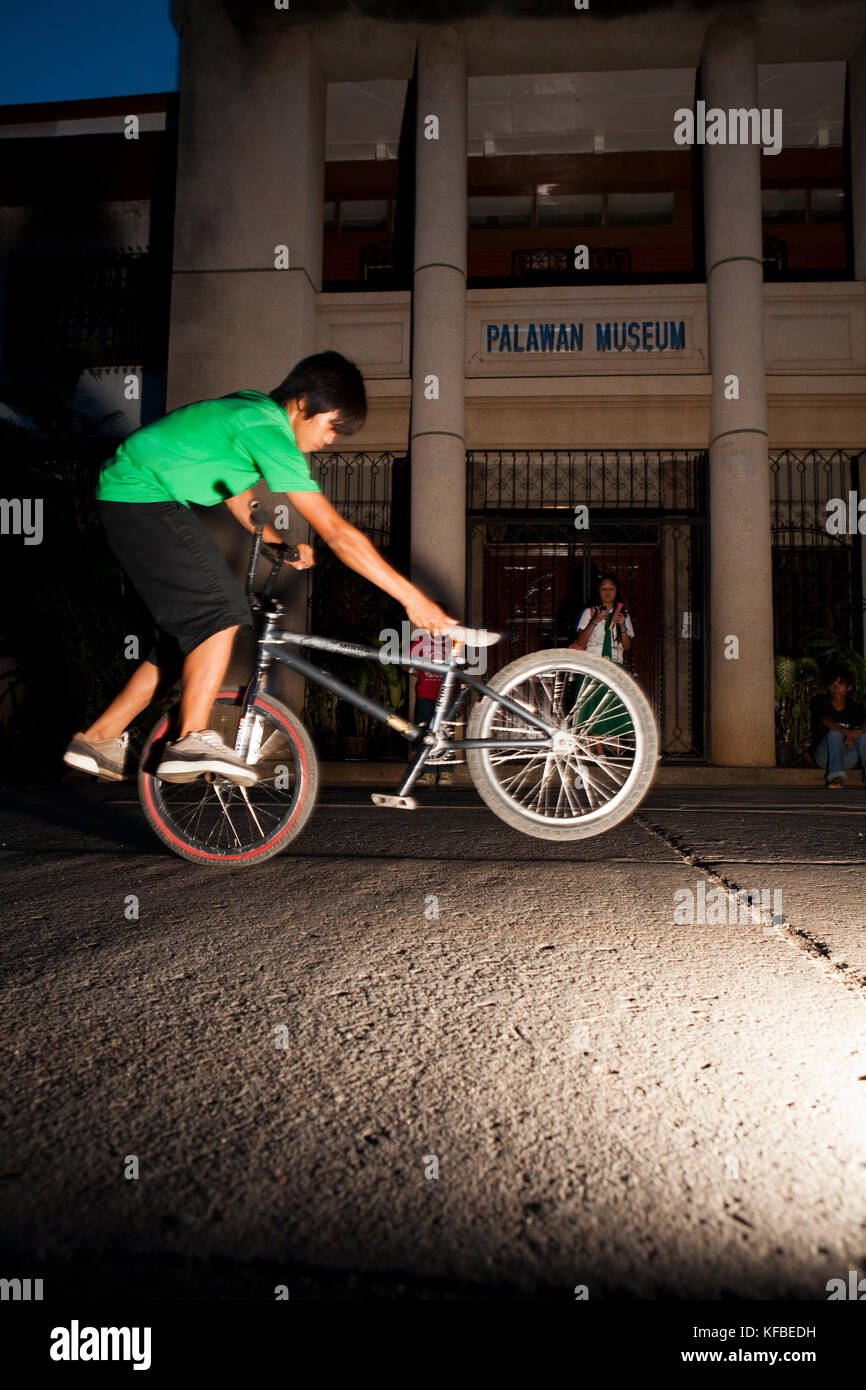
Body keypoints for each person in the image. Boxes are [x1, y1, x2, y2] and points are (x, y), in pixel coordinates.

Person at [63, 351, 454, 785]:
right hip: (140, 495)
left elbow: (239, 498)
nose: (331, 441)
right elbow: (338, 533)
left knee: (183, 643)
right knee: (220, 611)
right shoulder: (268, 428)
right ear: (303, 404)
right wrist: (412, 598)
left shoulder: (249, 414)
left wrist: (278, 546)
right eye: (332, 427)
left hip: (130, 497)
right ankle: (191, 737)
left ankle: (100, 736)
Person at [408, 615, 454, 787]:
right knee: (425, 733)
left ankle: (446, 771)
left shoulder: (453, 643)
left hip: (447, 697)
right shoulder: (421, 641)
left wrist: (458, 699)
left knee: (446, 734)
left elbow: (460, 669)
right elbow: (405, 662)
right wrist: (417, 671)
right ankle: (427, 771)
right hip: (425, 695)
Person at [811, 663, 866, 789]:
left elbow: (864, 724)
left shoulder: (855, 707)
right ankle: (835, 776)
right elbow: (827, 721)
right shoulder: (822, 703)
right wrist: (847, 732)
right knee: (836, 732)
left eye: (840, 684)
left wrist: (855, 734)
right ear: (828, 688)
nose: (836, 689)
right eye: (833, 685)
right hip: (825, 757)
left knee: (864, 735)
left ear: (849, 688)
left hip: (847, 758)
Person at [573, 573, 635, 662]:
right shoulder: (589, 612)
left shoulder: (623, 614)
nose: (607, 592)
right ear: (598, 591)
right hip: (592, 661)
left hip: (615, 661)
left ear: (616, 590)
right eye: (603, 588)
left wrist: (622, 626)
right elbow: (581, 641)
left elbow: (627, 647)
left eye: (611, 588)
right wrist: (595, 620)